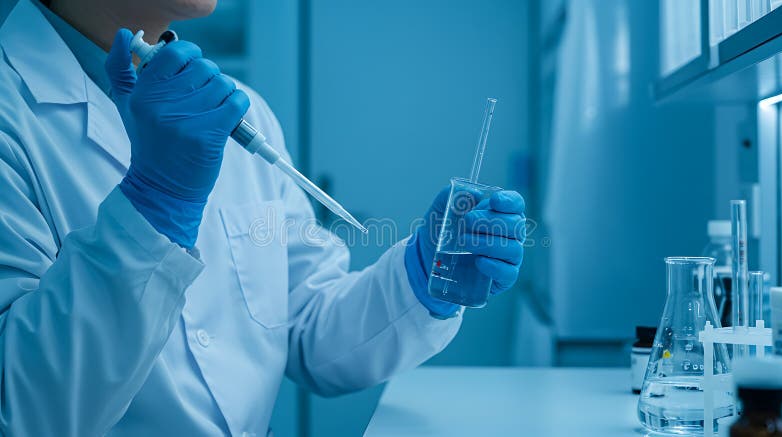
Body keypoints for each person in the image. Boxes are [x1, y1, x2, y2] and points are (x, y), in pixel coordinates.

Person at [0, 0, 526, 435]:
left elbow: (309, 328)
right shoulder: (11, 115)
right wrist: (153, 205)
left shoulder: (238, 110)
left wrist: (419, 279)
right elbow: (21, 410)